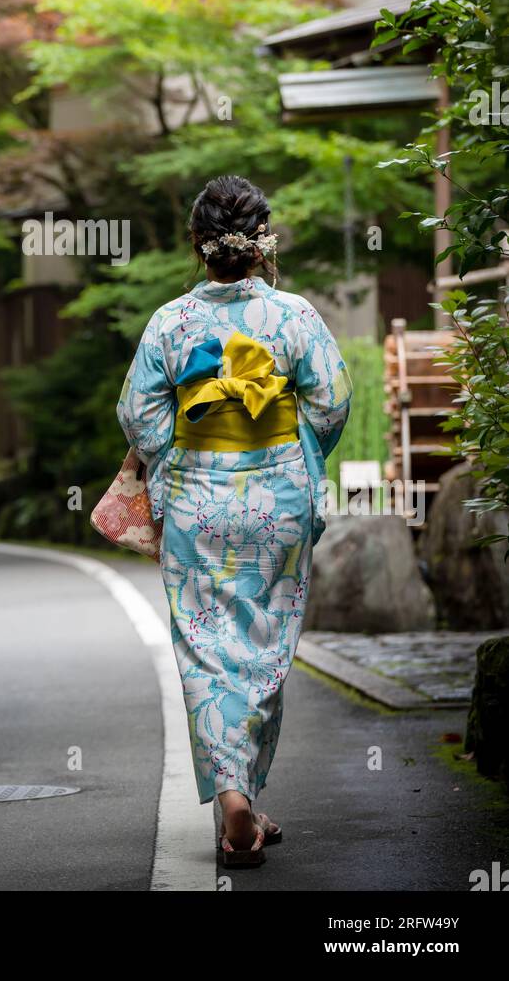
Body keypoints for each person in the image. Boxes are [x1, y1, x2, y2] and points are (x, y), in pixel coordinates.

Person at [117, 174, 352, 867]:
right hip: (276, 497)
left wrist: (183, 457)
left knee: (205, 647)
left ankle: (231, 793)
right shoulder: (294, 317)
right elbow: (333, 402)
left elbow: (138, 415)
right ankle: (245, 794)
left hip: (197, 500)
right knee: (263, 644)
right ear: (261, 244)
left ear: (197, 244)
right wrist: (288, 451)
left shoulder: (171, 323)